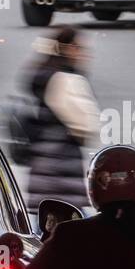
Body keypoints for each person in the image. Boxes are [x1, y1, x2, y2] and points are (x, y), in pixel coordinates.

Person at [22, 26, 100, 211]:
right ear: (69, 48)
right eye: (79, 48)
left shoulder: (45, 77)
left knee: (43, 225)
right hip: (61, 172)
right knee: (76, 228)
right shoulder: (65, 81)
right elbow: (87, 125)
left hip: (44, 169)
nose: (84, 54)